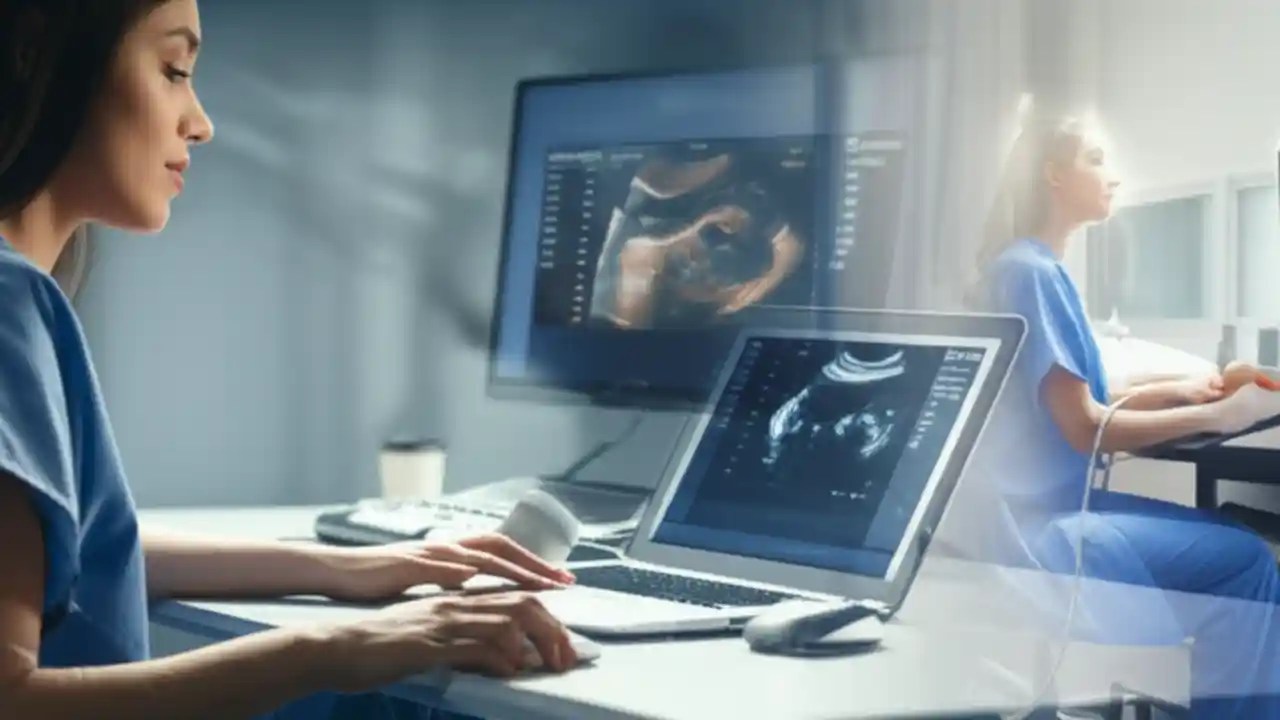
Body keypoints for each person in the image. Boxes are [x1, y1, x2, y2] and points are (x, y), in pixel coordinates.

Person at [0, 2, 581, 718]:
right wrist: (332, 650)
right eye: (173, 70)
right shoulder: (9, 304)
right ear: (35, 53)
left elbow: (83, 554)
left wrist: (351, 568)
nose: (200, 121)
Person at [966, 106, 1280, 718]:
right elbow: (1084, 427)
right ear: (1054, 175)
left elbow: (1085, 402)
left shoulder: (1027, 267)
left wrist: (1189, 393)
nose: (1115, 175)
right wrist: (1218, 418)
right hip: (1042, 528)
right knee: (1247, 561)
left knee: (1233, 549)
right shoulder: (1030, 272)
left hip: (1031, 514)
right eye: (1097, 159)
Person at [588, 150, 804, 329]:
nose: (700, 260)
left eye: (679, 267)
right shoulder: (737, 196)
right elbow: (791, 246)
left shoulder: (649, 203)